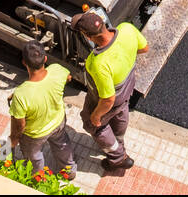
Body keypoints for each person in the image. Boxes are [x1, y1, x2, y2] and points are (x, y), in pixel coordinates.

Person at [71, 11, 148, 175]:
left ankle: (118, 157)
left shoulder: (98, 62)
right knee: (120, 112)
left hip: (109, 99)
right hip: (127, 88)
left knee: (94, 125)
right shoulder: (126, 29)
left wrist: (96, 115)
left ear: (88, 37)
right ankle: (118, 141)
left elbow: (107, 99)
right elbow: (144, 48)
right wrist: (124, 56)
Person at [8, 41, 76, 180]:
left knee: (34, 156)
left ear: (24, 63)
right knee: (62, 145)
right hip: (58, 122)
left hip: (34, 135)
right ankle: (69, 171)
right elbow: (68, 77)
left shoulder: (21, 95)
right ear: (45, 59)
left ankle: (38, 179)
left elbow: (20, 125)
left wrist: (13, 140)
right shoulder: (57, 70)